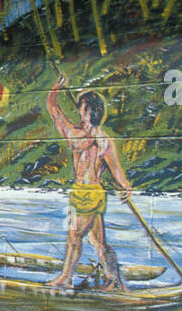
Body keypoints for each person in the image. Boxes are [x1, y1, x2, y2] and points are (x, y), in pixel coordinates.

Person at [44, 71, 132, 291]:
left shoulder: (101, 141)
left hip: (90, 194)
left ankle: (66, 277)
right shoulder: (77, 135)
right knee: (98, 242)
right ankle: (114, 280)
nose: (78, 111)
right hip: (80, 192)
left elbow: (116, 170)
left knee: (74, 236)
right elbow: (54, 111)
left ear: (90, 111)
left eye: (81, 108)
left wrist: (125, 187)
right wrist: (55, 89)